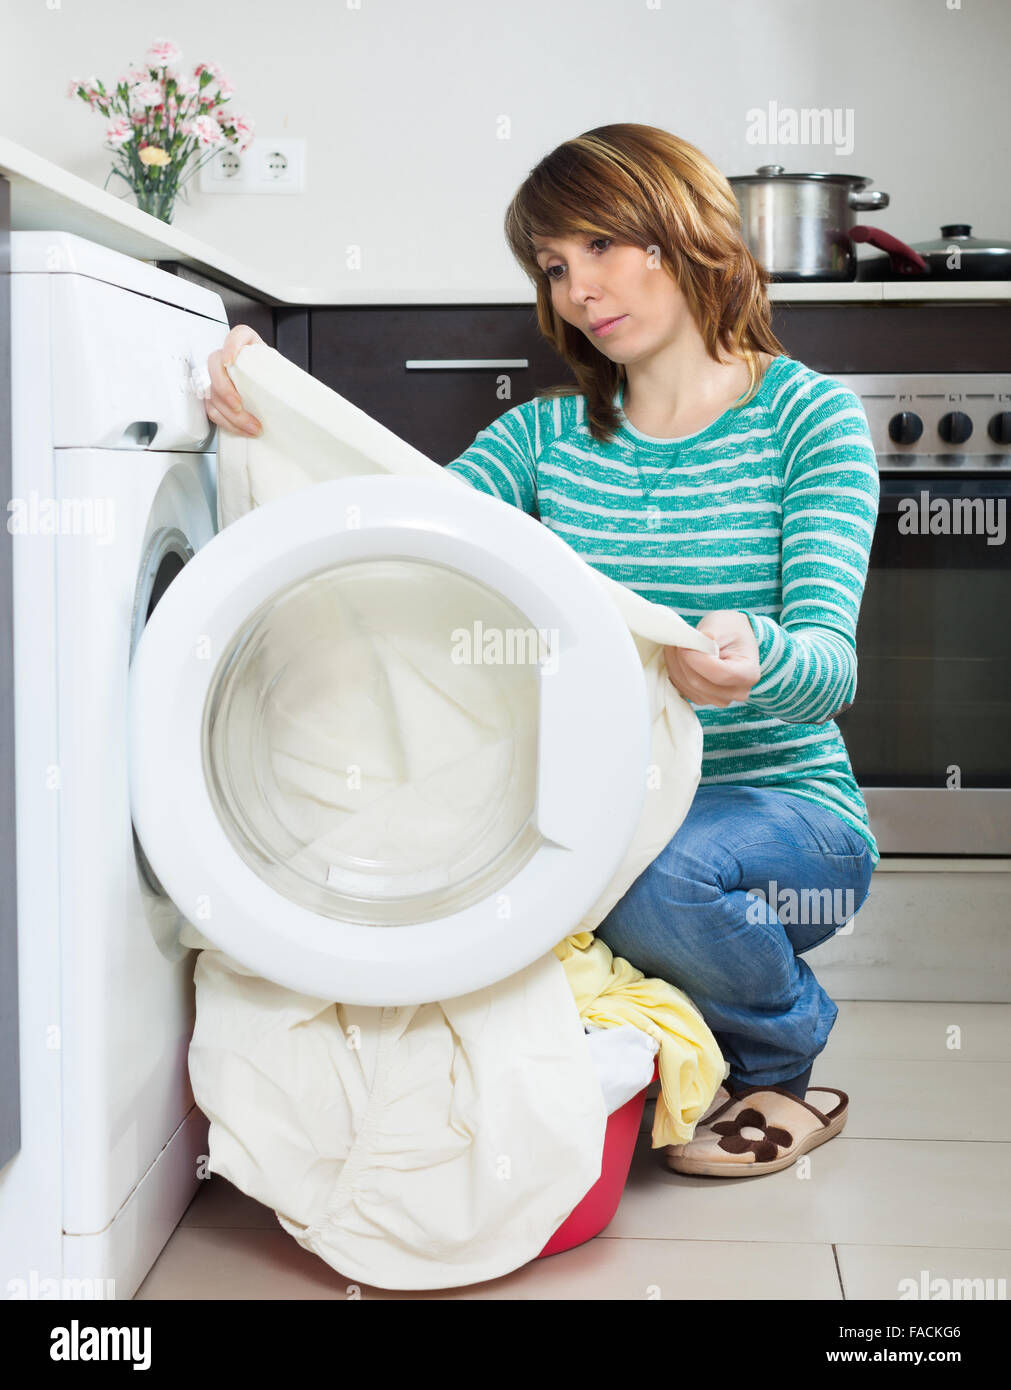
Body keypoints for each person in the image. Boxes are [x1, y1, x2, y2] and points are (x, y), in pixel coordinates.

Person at [204, 123, 879, 1178]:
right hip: (608, 792)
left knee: (658, 875)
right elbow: (407, 530)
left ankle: (781, 1057)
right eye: (554, 267)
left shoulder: (810, 420)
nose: (577, 291)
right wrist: (272, 423)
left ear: (683, 230)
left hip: (787, 812)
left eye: (601, 248)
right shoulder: (546, 438)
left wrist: (762, 655)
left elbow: (832, 666)